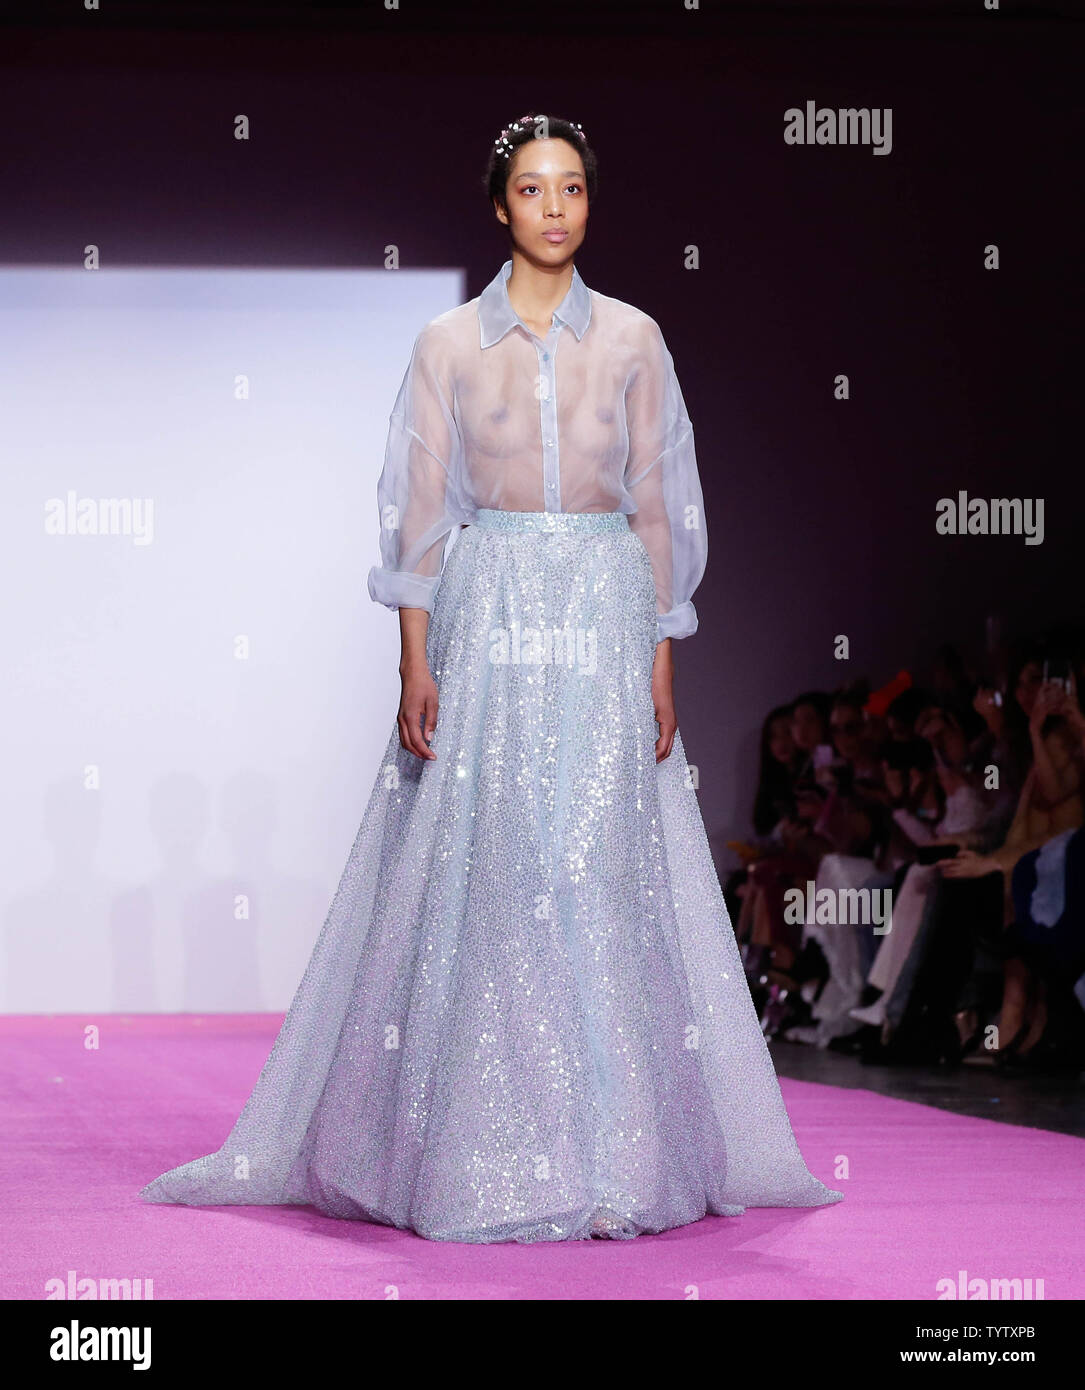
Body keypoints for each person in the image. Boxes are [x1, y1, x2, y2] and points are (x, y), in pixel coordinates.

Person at [140, 112, 842, 1242]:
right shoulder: (444, 345)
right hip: (493, 605)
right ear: (498, 205)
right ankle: (473, 1150)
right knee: (493, 867)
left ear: (587, 204)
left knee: (598, 866)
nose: (554, 207)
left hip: (605, 606)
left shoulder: (634, 339)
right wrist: (414, 660)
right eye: (532, 188)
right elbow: (417, 510)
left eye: (570, 188)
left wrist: (662, 657)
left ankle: (617, 1151)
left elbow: (660, 507)